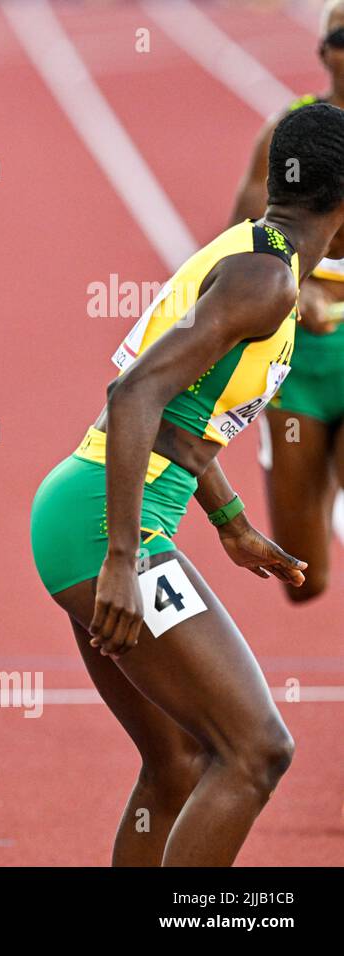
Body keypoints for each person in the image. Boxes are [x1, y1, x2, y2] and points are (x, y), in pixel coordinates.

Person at [30, 103, 344, 866]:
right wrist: (123, 556)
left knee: (176, 766)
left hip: (89, 504)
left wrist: (231, 519)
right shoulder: (264, 282)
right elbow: (131, 395)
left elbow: (177, 413)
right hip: (103, 520)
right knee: (257, 751)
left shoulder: (257, 254)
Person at [228, 1, 344, 602]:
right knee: (304, 579)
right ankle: (320, 469)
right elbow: (241, 243)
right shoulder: (289, 134)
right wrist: (296, 289)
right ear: (323, 51)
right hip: (300, 361)